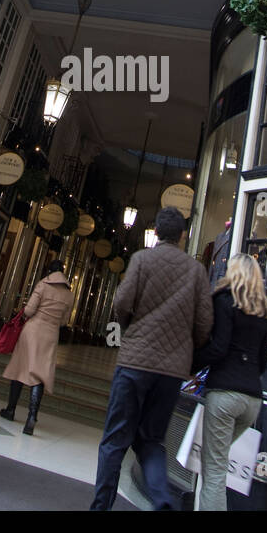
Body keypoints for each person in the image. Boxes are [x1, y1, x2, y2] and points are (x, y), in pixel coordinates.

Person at [90, 207, 212, 511]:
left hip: (134, 364)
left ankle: (100, 507)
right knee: (152, 441)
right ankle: (161, 500)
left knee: (114, 440)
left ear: (156, 232)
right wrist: (185, 350)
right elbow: (204, 324)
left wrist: (133, 327)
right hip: (171, 372)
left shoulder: (142, 260)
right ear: (183, 235)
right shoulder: (196, 271)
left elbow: (122, 302)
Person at [193, 253, 267, 511]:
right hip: (252, 400)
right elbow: (263, 361)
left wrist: (191, 367)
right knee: (217, 461)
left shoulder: (225, 301)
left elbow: (218, 348)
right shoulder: (264, 311)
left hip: (224, 394)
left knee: (214, 470)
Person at [0, 258, 73, 435]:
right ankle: (32, 416)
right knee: (40, 374)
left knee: (19, 370)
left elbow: (29, 310)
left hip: (33, 331)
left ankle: (10, 409)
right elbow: (64, 320)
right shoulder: (69, 294)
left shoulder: (43, 284)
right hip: (51, 335)